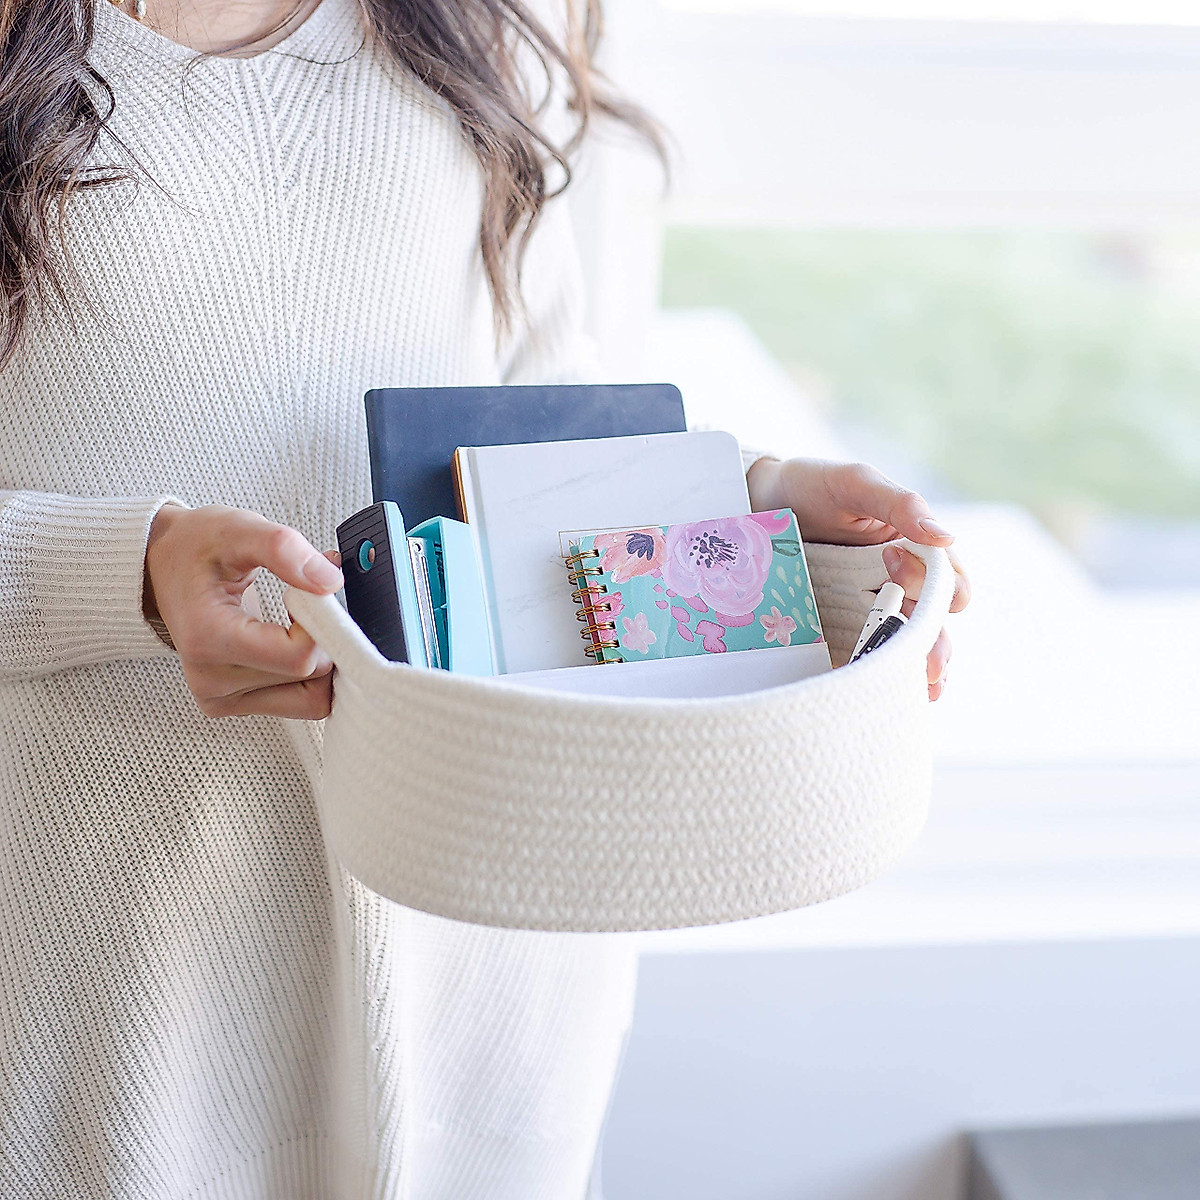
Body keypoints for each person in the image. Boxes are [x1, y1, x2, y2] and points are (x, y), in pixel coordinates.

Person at [0, 0, 970, 1195]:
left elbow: (529, 411)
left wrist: (743, 493)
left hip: (482, 949)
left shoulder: (475, 24)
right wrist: (129, 575)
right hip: (102, 969)